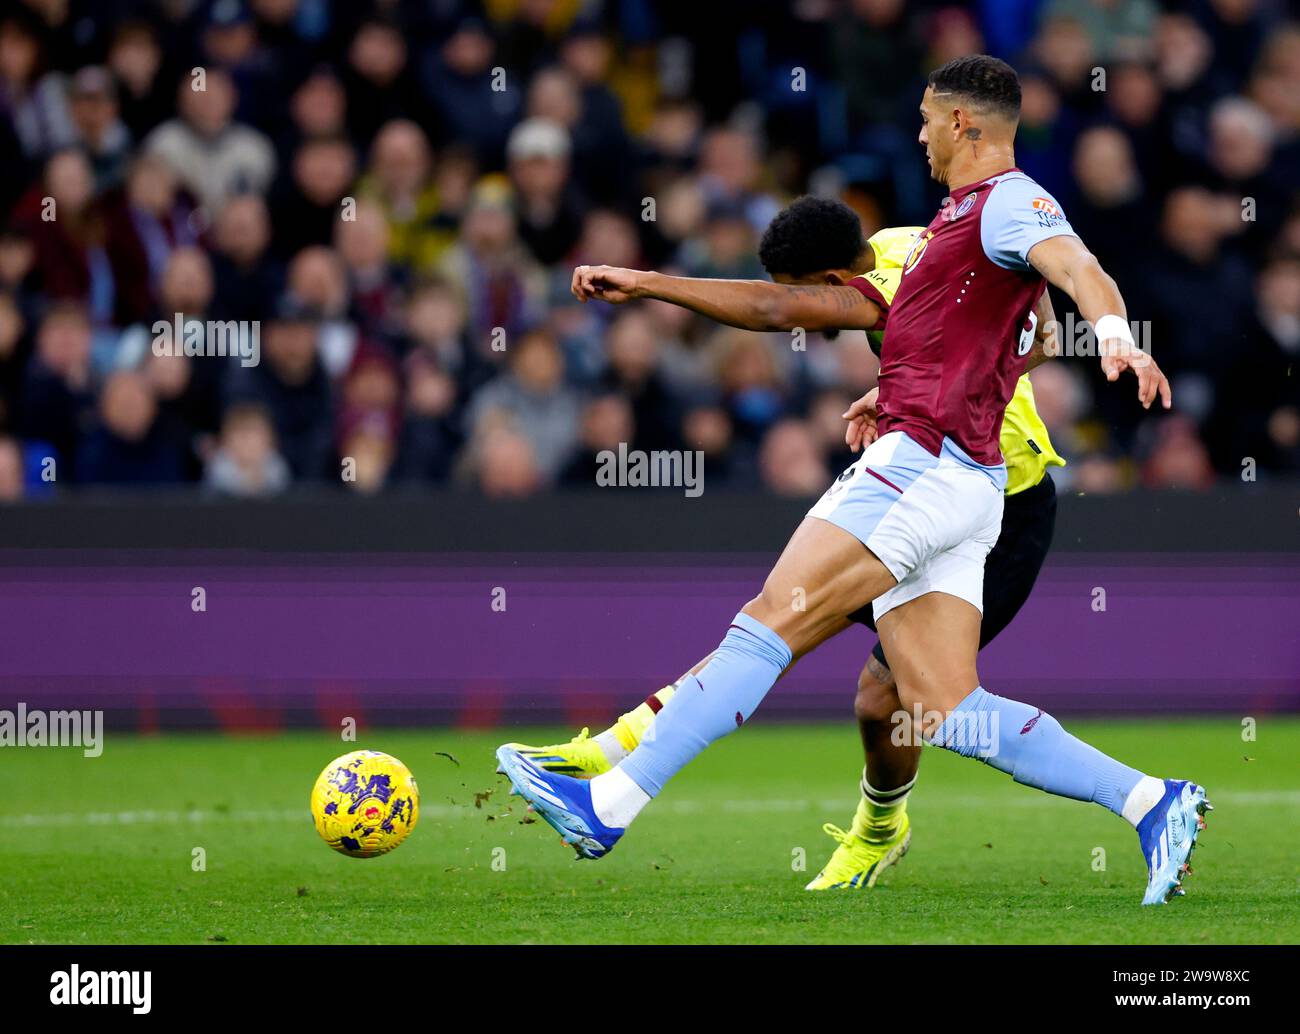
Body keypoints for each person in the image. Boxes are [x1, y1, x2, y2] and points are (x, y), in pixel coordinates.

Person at [497, 56, 1206, 907]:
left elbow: (1078, 269)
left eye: (926, 118)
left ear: (963, 126)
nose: (917, 133)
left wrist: (1117, 337)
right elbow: (1020, 332)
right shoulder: (960, 221)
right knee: (939, 707)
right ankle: (1152, 801)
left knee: (770, 624)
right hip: (972, 481)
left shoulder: (1009, 202)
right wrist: (909, 374)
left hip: (924, 465)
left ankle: (606, 800)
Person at [502, 197, 1065, 892]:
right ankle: (611, 757)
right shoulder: (900, 240)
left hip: (999, 515)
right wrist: (893, 396)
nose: (804, 319)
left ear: (830, 282)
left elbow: (770, 310)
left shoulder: (886, 282)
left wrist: (647, 283)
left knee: (878, 694)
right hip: (929, 484)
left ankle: (890, 826)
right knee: (781, 629)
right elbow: (1027, 327)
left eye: (805, 296)